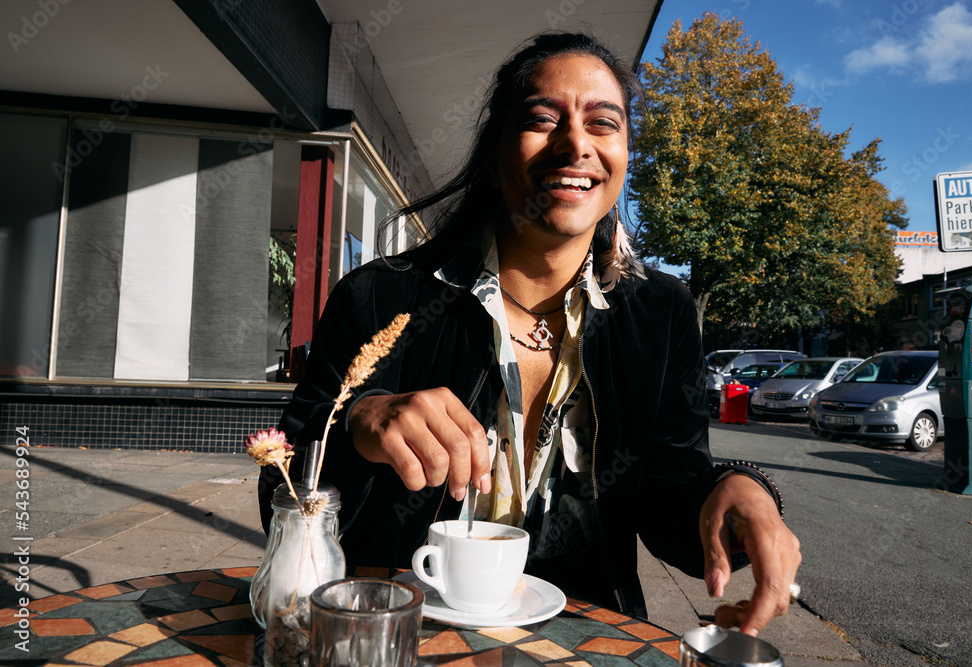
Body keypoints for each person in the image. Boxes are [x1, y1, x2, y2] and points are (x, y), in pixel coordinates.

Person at [259, 31, 800, 635]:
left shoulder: (661, 313)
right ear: (494, 154)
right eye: (543, 119)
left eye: (603, 123)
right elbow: (278, 489)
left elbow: (671, 497)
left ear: (624, 155)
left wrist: (741, 491)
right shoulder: (381, 298)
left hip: (590, 639)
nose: (575, 144)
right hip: (402, 633)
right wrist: (363, 423)